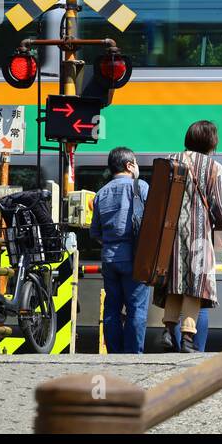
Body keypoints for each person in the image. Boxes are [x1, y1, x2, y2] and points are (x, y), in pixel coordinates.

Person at [155, 120, 222, 353]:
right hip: (199, 234)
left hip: (169, 234)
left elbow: (158, 197)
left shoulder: (170, 159)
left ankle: (168, 330)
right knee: (195, 286)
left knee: (174, 283)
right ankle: (188, 338)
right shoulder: (214, 168)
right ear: (211, 141)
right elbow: (220, 204)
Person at [90, 146, 151, 353]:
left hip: (109, 258)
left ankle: (115, 354)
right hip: (135, 257)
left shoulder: (101, 193)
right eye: (135, 163)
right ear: (129, 165)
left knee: (112, 308)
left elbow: (95, 232)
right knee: (136, 308)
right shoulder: (140, 187)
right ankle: (133, 355)